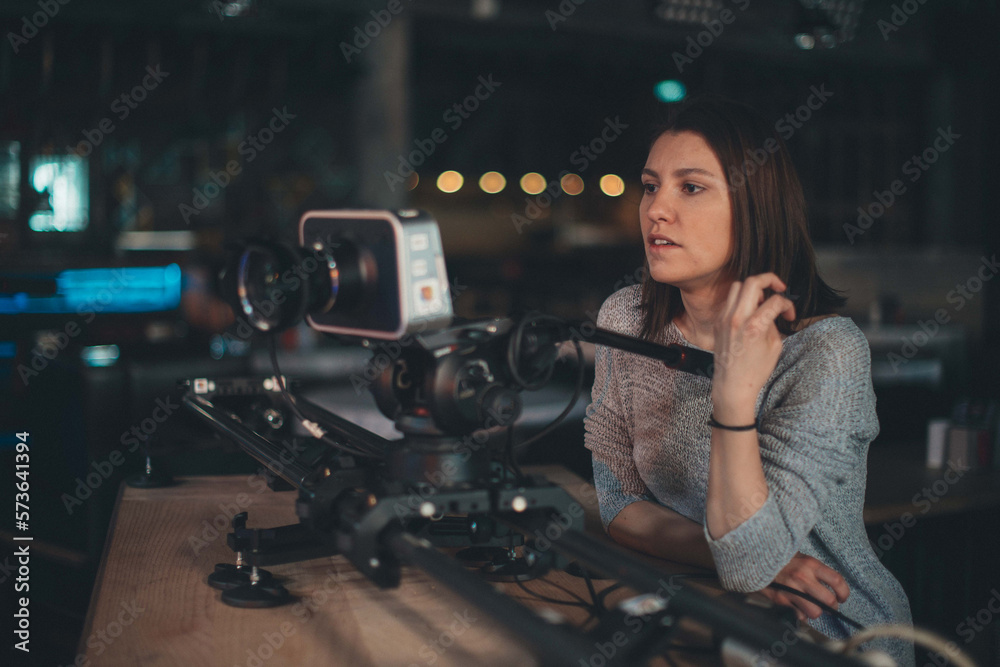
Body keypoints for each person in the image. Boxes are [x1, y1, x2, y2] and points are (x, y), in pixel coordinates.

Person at [583, 97, 914, 666]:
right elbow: (618, 503)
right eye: (649, 185)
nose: (656, 209)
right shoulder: (626, 319)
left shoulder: (826, 351)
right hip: (706, 602)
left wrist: (733, 393)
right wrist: (727, 556)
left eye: (690, 187)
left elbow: (748, 562)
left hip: (832, 632)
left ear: (754, 207)